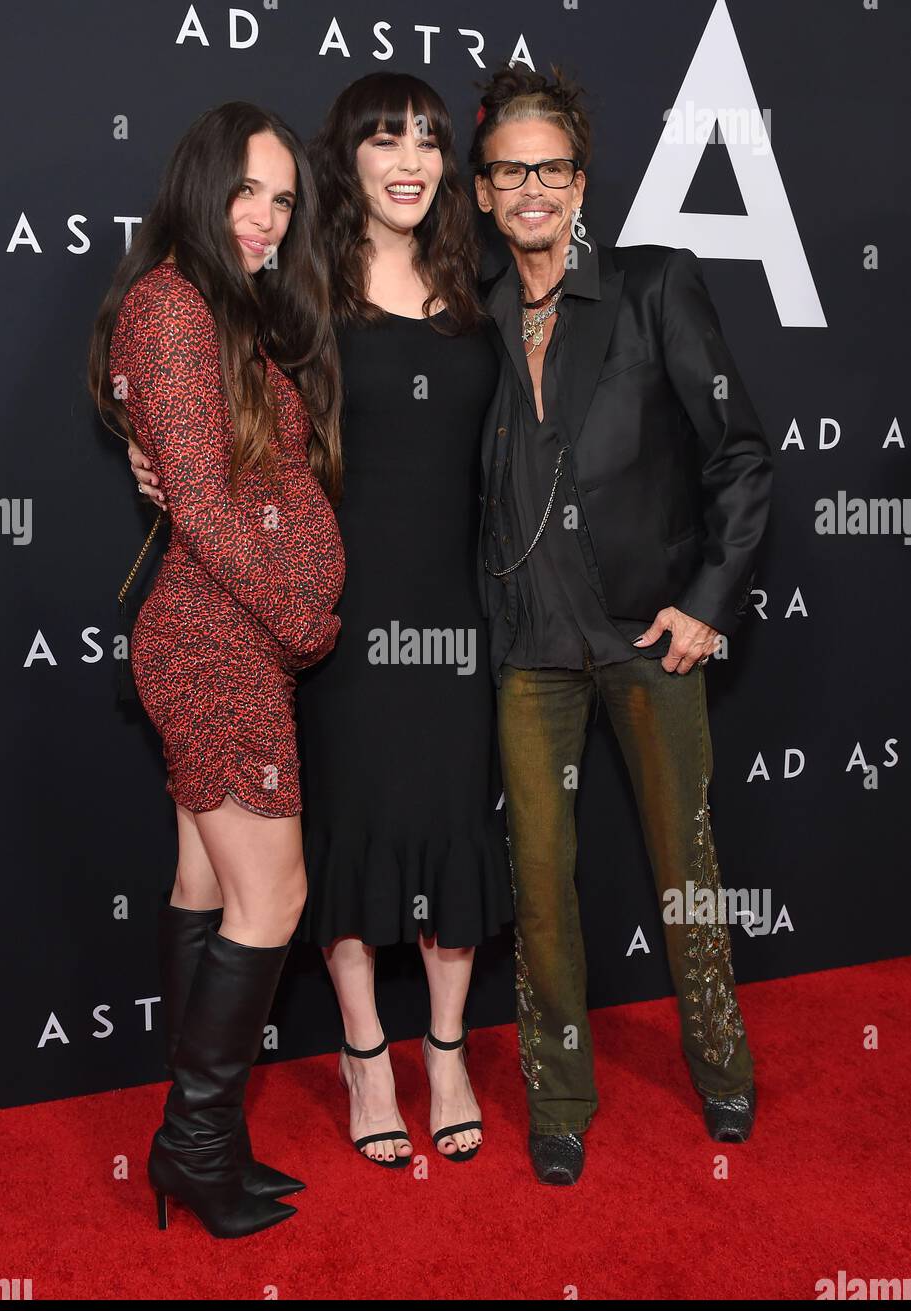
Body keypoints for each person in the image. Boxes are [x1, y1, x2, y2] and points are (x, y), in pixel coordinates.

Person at [130, 73, 514, 1167]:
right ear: (345, 160)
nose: (409, 157)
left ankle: (444, 1052)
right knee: (337, 849)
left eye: (429, 139)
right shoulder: (294, 291)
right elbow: (188, 378)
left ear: (448, 164)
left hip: (453, 609)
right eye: (384, 137)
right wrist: (143, 443)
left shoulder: (478, 280)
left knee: (450, 831)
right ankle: (361, 1058)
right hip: (325, 618)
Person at [470, 63, 772, 1184]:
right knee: (539, 888)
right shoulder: (473, 320)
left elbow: (739, 455)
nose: (532, 188)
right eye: (510, 171)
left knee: (683, 872)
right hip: (529, 651)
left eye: (549, 167)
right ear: (485, 192)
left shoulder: (651, 285)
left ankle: (724, 1068)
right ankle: (557, 1096)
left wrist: (704, 601)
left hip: (646, 640)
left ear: (579, 182)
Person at [89, 101, 345, 1235]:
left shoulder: (216, 310)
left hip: (226, 631)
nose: (266, 217)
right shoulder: (171, 305)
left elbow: (210, 475)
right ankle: (191, 1143)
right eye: (249, 190)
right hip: (220, 639)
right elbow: (197, 497)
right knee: (272, 895)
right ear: (200, 185)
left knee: (206, 886)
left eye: (283, 200)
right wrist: (299, 613)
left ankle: (206, 1138)